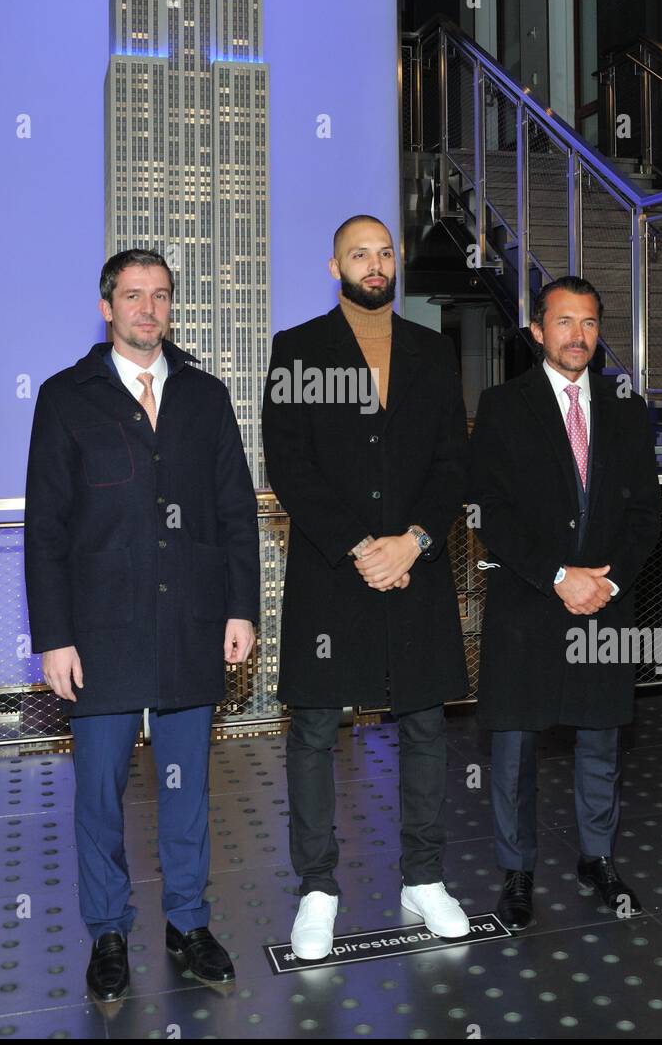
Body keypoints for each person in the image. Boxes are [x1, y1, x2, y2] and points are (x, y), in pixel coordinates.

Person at [24, 249, 259, 1000]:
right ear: (107, 307)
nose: (147, 309)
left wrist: (241, 608)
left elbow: (234, 514)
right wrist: (53, 637)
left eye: (159, 296)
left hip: (190, 627)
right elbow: (46, 531)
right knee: (99, 793)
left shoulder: (205, 396)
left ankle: (188, 923)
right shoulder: (66, 398)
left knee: (187, 791)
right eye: (132, 296)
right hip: (99, 639)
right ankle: (109, 934)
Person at [261, 215, 470, 960]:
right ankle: (317, 889)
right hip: (330, 572)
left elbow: (454, 462)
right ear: (333, 265)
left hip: (414, 566)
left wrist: (411, 540)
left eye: (385, 253)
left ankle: (422, 879)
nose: (375, 264)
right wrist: (360, 546)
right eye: (360, 253)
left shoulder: (431, 351)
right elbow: (289, 466)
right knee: (315, 733)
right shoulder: (297, 350)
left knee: (423, 726)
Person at [470, 276, 662, 931]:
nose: (576, 335)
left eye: (587, 323)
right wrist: (557, 574)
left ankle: (597, 859)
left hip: (605, 603)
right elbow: (488, 514)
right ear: (536, 331)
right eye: (563, 322)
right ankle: (516, 871)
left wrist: (605, 583)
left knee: (600, 740)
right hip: (528, 601)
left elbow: (645, 514)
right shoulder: (500, 407)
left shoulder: (627, 407)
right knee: (514, 747)